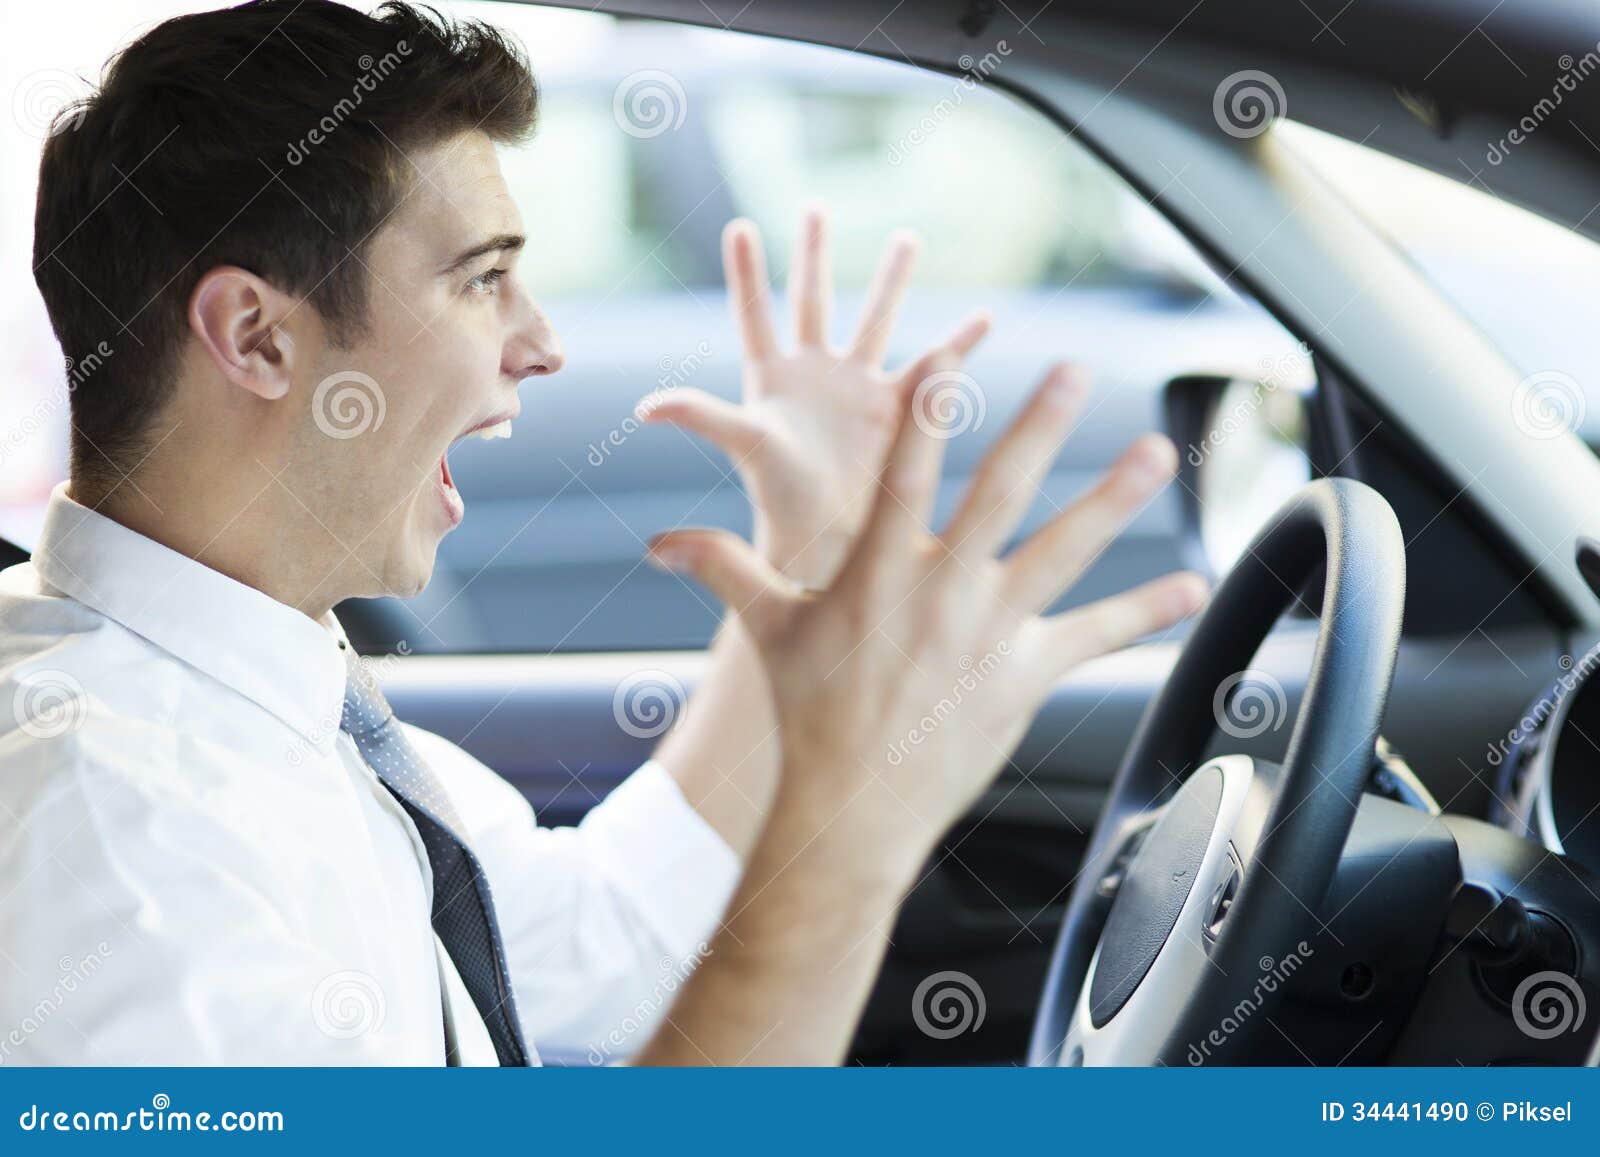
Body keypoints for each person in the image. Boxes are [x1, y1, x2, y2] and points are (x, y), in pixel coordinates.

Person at [2, 0, 1206, 1064]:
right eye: (481, 278)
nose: (542, 344)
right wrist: (862, 825)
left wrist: (805, 555)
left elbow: (600, 945)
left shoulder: (258, 690)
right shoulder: (114, 841)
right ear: (259, 338)